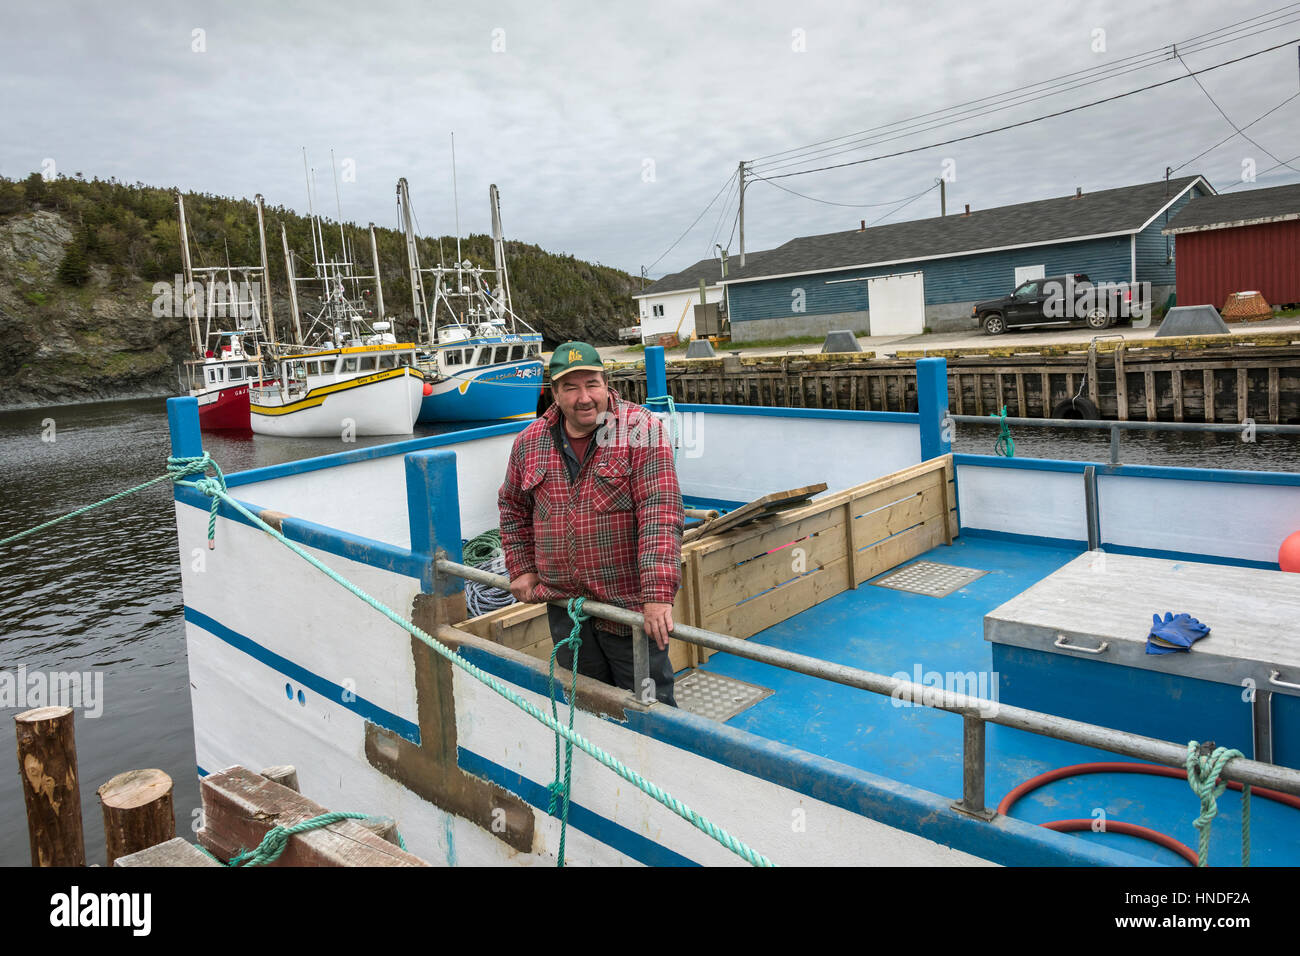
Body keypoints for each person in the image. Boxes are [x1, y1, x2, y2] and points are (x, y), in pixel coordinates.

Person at [498, 341, 682, 705]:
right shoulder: (529, 442)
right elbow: (513, 507)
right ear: (554, 393)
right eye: (571, 387)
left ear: (606, 383)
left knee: (651, 710)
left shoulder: (640, 429)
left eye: (592, 385)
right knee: (585, 707)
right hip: (567, 612)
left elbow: (660, 513)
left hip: (629, 613)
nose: (584, 398)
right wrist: (521, 567)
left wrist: (658, 597)